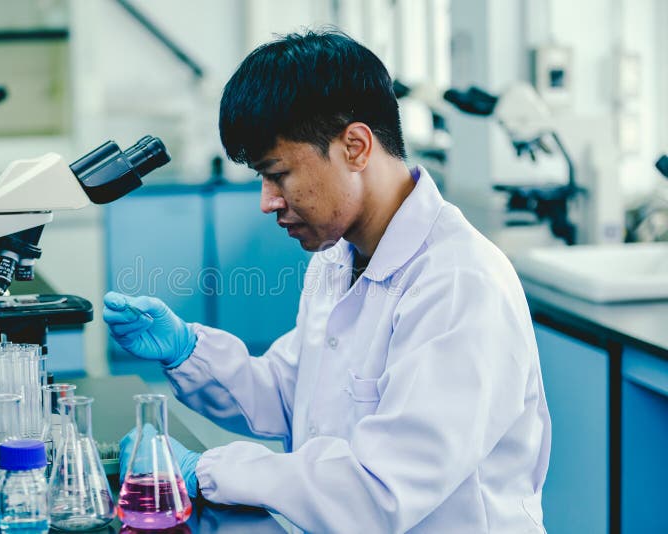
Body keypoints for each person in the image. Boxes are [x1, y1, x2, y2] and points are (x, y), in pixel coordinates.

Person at [105, 30, 550, 533]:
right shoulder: (339, 258)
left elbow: (379, 490)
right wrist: (188, 352)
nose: (267, 201)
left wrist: (207, 471)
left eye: (277, 173)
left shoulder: (459, 284)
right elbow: (292, 396)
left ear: (355, 147)